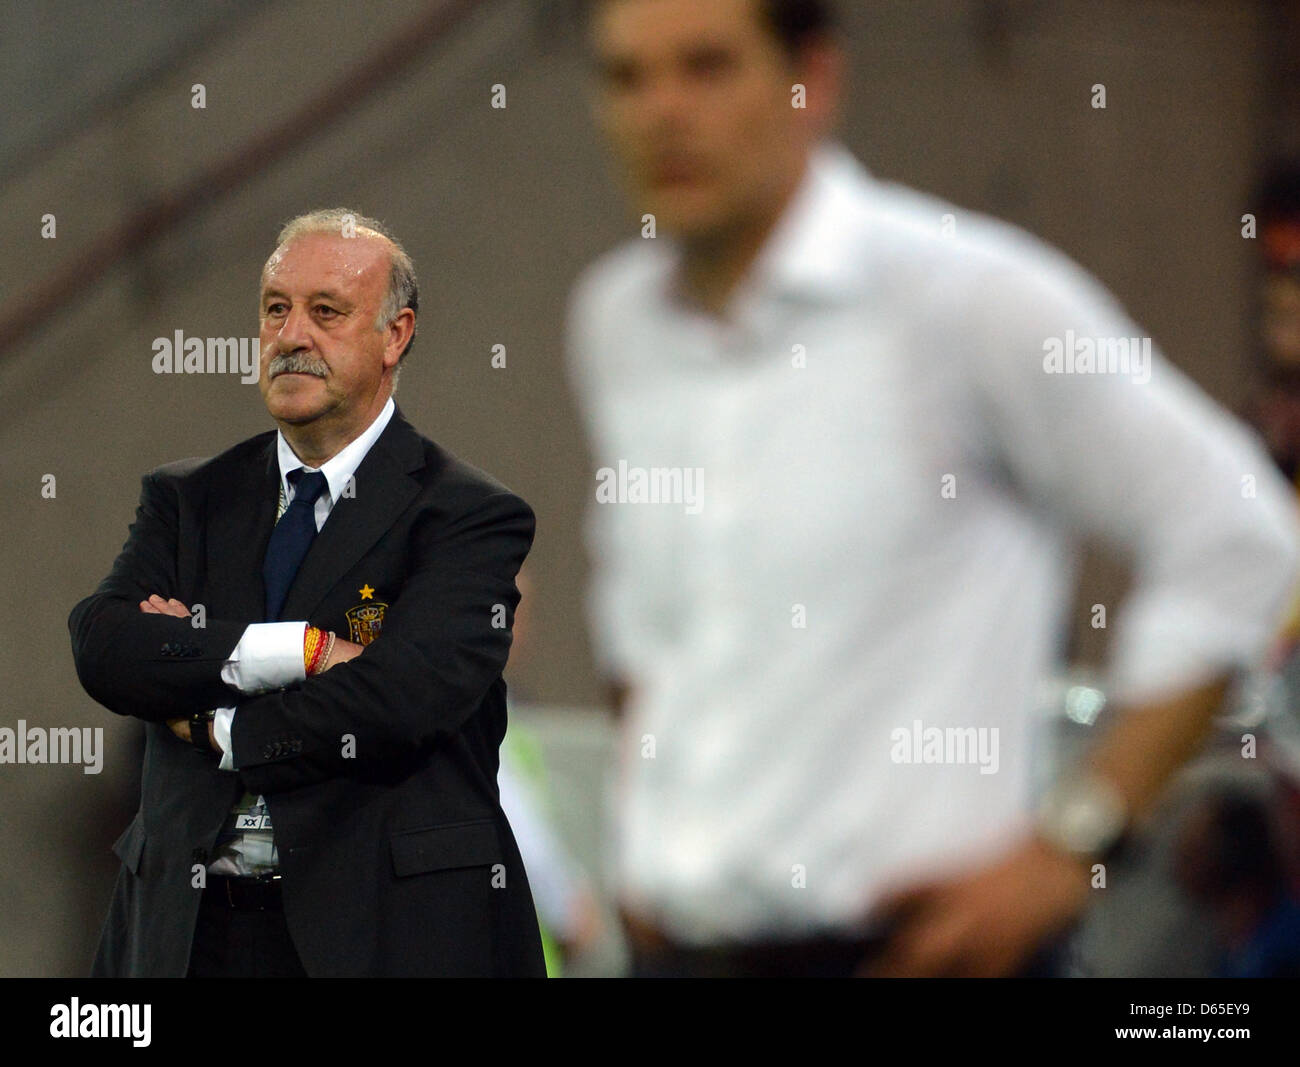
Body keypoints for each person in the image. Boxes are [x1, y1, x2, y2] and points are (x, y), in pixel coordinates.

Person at [566, 0, 1300, 977]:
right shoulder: (617, 323)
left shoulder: (959, 297)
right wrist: (654, 838)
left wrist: (1067, 845)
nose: (662, 111)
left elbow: (1235, 535)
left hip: (920, 950)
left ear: (810, 79)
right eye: (626, 77)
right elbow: (643, 619)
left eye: (705, 67)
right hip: (683, 950)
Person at [70, 208, 545, 977]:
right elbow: (106, 646)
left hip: (374, 935)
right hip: (186, 935)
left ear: (395, 336)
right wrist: (301, 649)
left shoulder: (468, 514)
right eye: (275, 309)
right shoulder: (188, 498)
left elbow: (400, 695)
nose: (291, 335)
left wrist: (221, 725)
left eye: (326, 312)